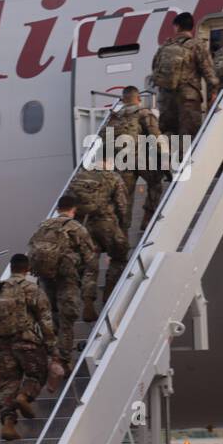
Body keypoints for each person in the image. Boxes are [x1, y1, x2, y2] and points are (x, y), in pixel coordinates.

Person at [0, 254, 56, 442]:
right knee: (36, 374)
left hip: (1, 346)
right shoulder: (31, 288)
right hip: (26, 340)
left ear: (11, 267)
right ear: (27, 268)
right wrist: (51, 345)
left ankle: (8, 423)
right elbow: (45, 319)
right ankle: (24, 396)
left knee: (7, 384)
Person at [28, 194, 97, 366]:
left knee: (51, 316)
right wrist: (88, 292)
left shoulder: (43, 226)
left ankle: (52, 354)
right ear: (74, 209)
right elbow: (90, 259)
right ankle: (64, 361)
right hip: (67, 279)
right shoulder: (76, 227)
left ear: (58, 209)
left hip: (45, 277)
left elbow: (31, 249)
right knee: (67, 319)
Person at [69, 154, 130, 321]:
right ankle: (109, 292)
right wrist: (124, 226)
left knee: (90, 266)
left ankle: (88, 303)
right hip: (107, 224)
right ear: (108, 161)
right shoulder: (112, 176)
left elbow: (70, 202)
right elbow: (122, 204)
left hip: (85, 226)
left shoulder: (79, 177)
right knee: (120, 255)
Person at [152, 11, 219, 147]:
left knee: (168, 133)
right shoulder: (197, 45)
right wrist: (213, 95)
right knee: (189, 135)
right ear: (192, 28)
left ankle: (170, 164)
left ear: (176, 27)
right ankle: (187, 164)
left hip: (166, 98)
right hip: (188, 99)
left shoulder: (165, 47)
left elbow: (154, 68)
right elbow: (209, 73)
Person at [105, 85, 166, 230]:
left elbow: (104, 139)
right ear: (138, 98)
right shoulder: (143, 112)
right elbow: (155, 136)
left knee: (125, 198)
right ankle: (148, 218)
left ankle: (122, 231)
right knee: (156, 182)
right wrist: (165, 156)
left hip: (122, 162)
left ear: (123, 100)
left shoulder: (114, 116)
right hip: (141, 160)